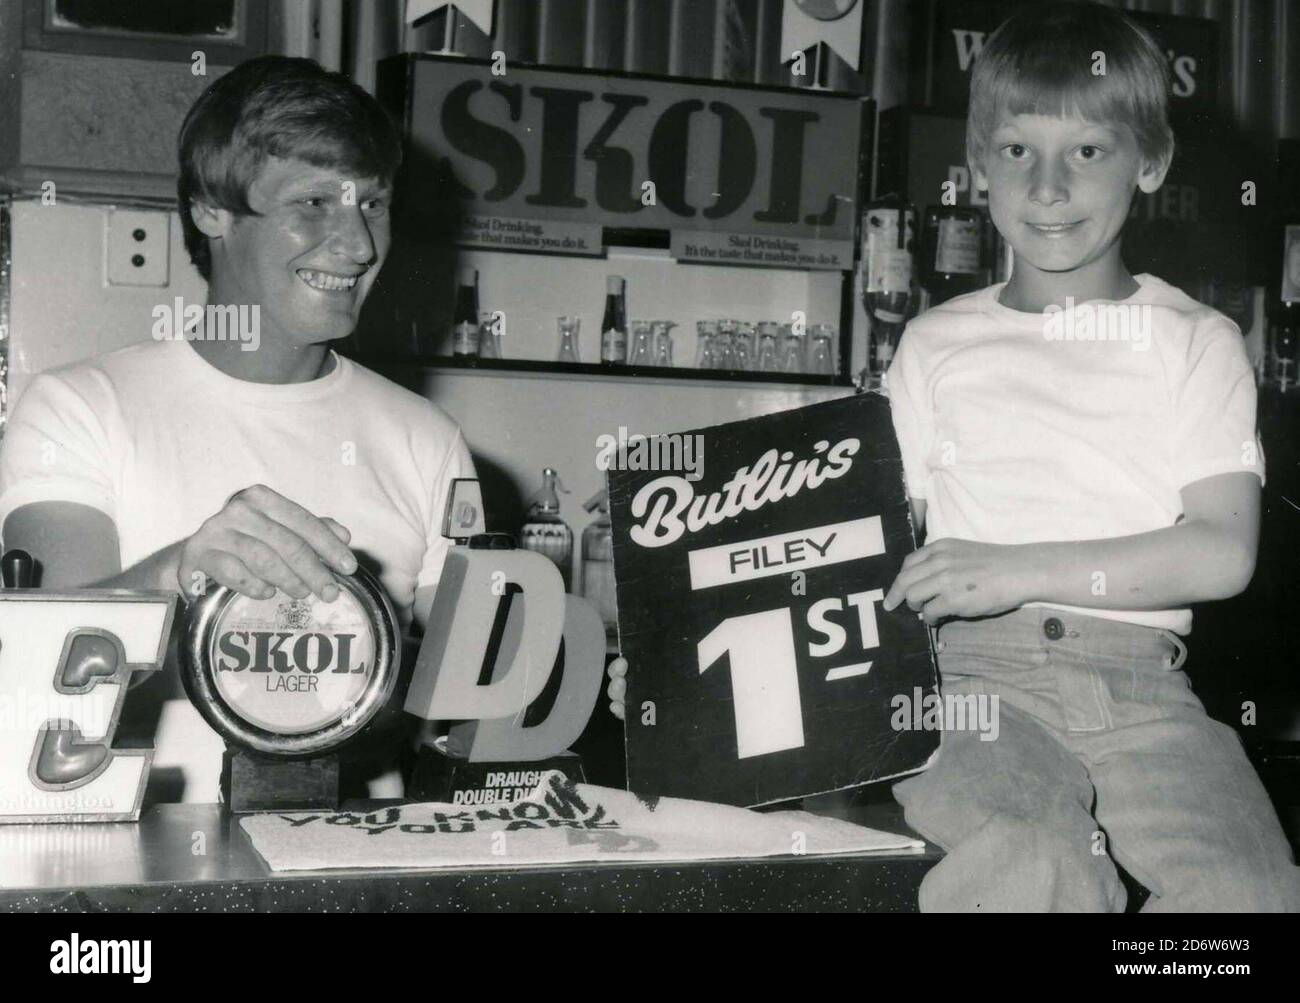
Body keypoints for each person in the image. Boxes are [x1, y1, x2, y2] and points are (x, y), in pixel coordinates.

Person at [609, 1, 1300, 912]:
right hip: (975, 690)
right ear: (978, 167)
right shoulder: (936, 345)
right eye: (1017, 150)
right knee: (1030, 857)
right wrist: (685, 673)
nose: (1049, 186)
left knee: (1249, 893)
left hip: (1149, 697)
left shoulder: (1198, 340)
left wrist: (1012, 569)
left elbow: (1222, 549)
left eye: (1089, 151)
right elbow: (850, 552)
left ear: (1153, 161)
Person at [0, 56, 474, 802]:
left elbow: (460, 715)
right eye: (314, 201)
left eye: (373, 204)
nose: (357, 244)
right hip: (144, 887)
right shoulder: (78, 407)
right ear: (211, 211)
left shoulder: (428, 440)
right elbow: (41, 685)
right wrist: (177, 572)